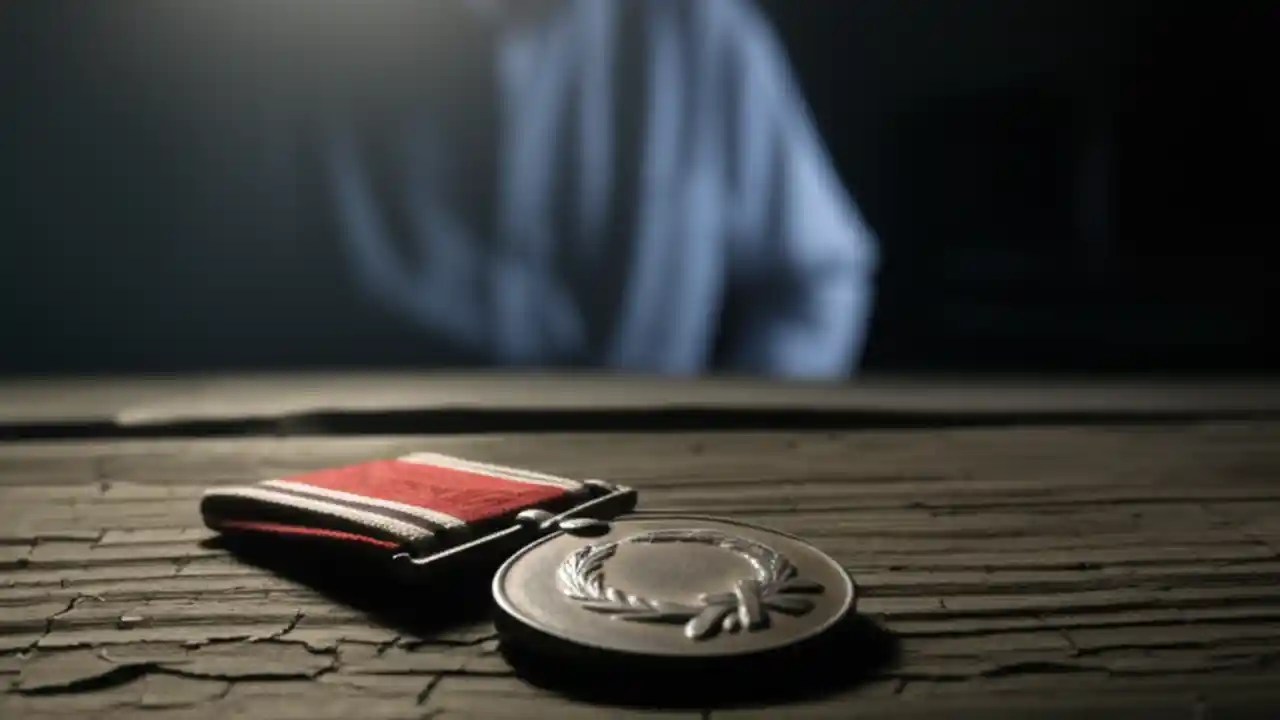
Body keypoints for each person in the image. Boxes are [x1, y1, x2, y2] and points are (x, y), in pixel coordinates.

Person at [0, 0, 876, 378]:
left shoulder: (698, 32)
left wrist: (723, 456)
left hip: (639, 507)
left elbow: (818, 276)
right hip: (365, 507)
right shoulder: (273, 44)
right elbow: (190, 289)